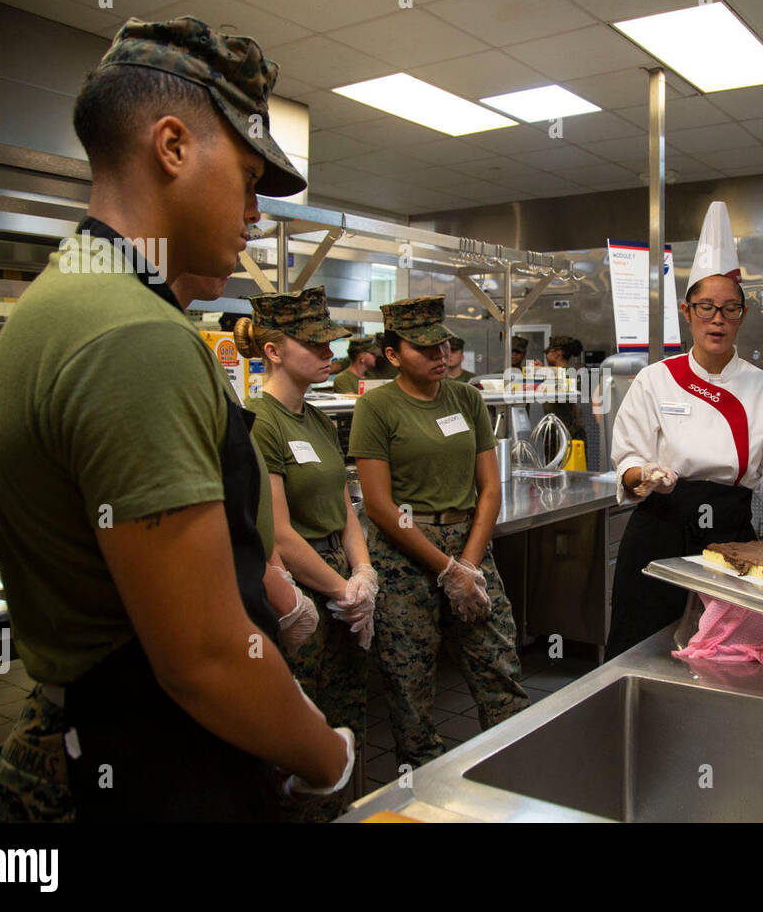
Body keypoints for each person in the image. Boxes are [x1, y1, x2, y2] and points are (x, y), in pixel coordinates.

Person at [0, 16, 352, 822]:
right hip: (147, 764)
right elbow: (203, 659)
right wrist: (326, 754)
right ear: (172, 146)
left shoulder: (71, 294)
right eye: (248, 178)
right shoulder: (137, 336)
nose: (254, 212)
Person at [605, 202, 763, 658]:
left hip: (732, 539)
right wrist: (641, 476)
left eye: (729, 309)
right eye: (706, 307)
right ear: (687, 312)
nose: (717, 319)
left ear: (742, 315)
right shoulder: (654, 379)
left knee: (725, 650)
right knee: (640, 644)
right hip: (658, 530)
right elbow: (626, 461)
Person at [349, 296, 528, 767]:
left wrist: (468, 564)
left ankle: (512, 772)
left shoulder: (466, 398)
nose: (441, 356)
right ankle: (425, 789)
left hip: (468, 543)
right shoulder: (378, 407)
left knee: (498, 664)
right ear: (392, 355)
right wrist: (444, 568)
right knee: (410, 683)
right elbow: (380, 506)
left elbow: (489, 488)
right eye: (425, 348)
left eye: (444, 346)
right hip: (405, 553)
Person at [236, 287, 376, 821]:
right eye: (314, 344)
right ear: (272, 351)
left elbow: (344, 509)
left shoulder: (317, 419)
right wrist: (341, 590)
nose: (329, 354)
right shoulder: (259, 421)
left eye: (331, 344)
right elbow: (279, 533)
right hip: (299, 592)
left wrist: (363, 573)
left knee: (347, 717)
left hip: (342, 584)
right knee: (303, 725)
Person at [541, 335, 585, 443]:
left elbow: (558, 388)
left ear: (558, 353)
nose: (546, 355)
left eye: (549, 351)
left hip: (564, 431)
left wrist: (541, 371)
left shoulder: (568, 373)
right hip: (557, 429)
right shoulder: (555, 373)